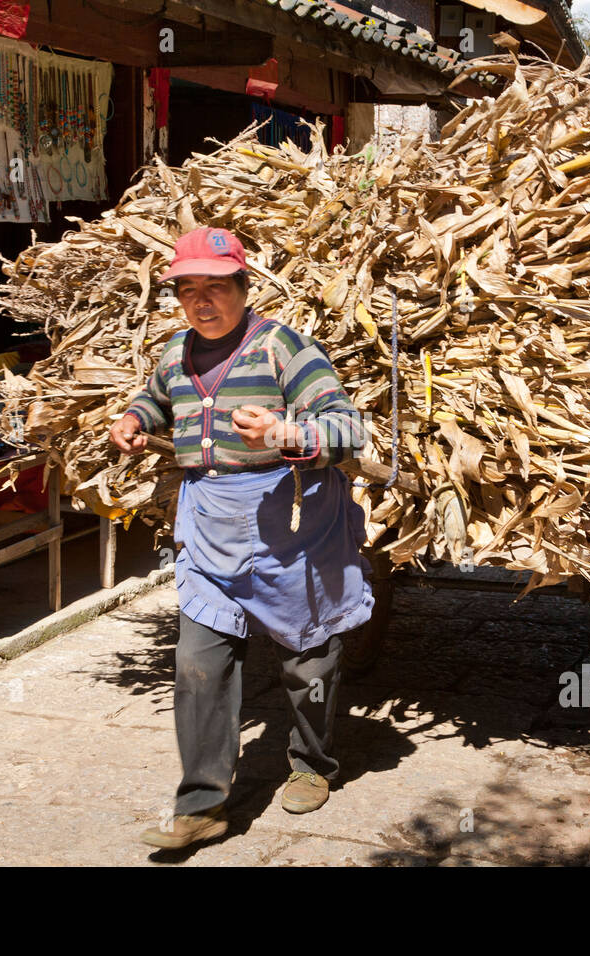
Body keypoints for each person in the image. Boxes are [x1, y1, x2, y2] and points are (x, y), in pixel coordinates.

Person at [110, 226, 374, 850]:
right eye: (188, 290)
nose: (202, 302)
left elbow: (347, 428)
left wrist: (285, 433)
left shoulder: (282, 349)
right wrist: (132, 418)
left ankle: (313, 764)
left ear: (242, 288)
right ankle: (201, 805)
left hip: (291, 529)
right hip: (208, 524)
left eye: (216, 288)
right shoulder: (174, 354)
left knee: (307, 659)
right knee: (198, 662)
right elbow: (156, 400)